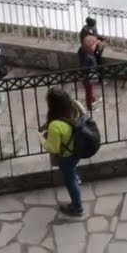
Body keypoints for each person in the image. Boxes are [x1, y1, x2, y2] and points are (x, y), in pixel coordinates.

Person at [40, 86, 87, 218]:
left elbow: (53, 148)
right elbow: (81, 108)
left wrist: (42, 139)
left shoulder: (55, 125)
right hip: (76, 151)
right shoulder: (73, 113)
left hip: (66, 157)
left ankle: (77, 207)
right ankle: (76, 179)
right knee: (73, 172)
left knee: (70, 181)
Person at [77, 33, 104, 112]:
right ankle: (90, 107)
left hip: (90, 75)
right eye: (94, 45)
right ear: (90, 47)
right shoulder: (87, 57)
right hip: (88, 77)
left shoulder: (84, 51)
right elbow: (85, 68)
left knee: (92, 88)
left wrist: (96, 43)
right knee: (88, 91)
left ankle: (93, 99)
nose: (95, 47)